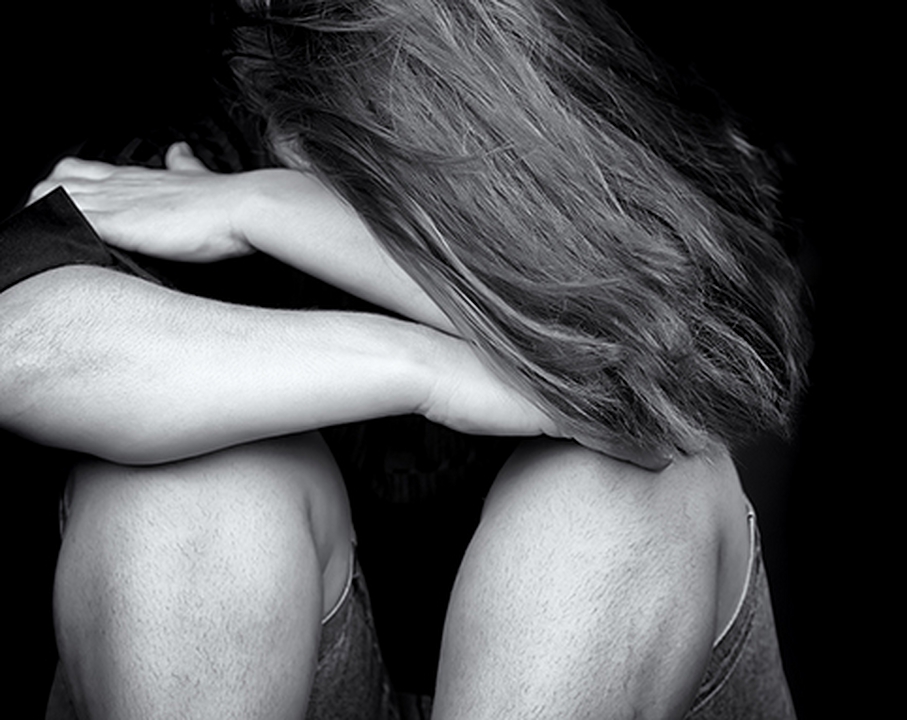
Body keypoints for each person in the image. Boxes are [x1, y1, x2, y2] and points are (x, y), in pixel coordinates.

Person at [2, 0, 810, 717]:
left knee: (626, 492)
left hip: (612, 660)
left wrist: (273, 211)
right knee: (183, 488)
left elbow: (679, 389)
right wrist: (426, 370)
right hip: (286, 662)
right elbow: (25, 350)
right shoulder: (219, 104)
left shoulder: (628, 90)